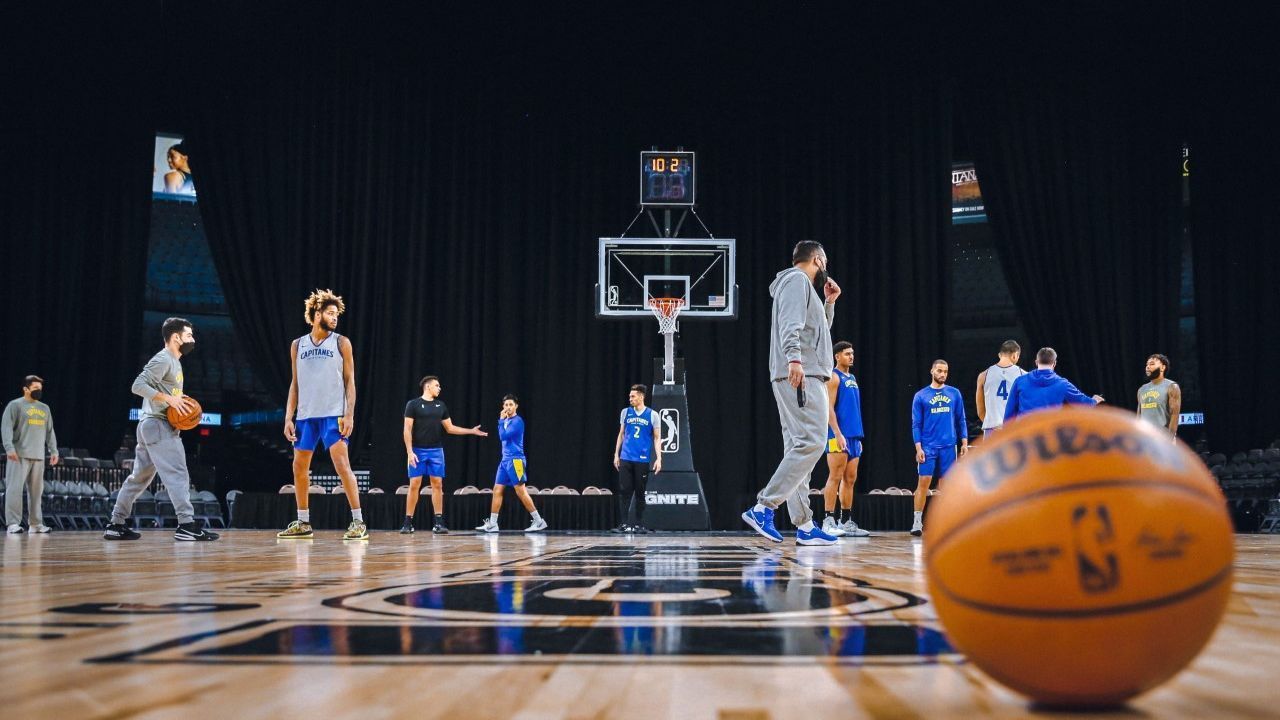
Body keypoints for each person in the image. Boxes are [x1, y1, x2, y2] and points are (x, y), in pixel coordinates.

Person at [743, 240, 842, 546]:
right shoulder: (797, 280)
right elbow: (791, 325)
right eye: (824, 261)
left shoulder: (805, 288)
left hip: (802, 371)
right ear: (818, 259)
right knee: (813, 442)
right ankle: (764, 506)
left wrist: (829, 303)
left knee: (798, 448)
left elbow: (818, 334)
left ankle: (805, 524)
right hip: (802, 374)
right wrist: (794, 359)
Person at [103, 318, 218, 541]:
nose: (192, 340)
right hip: (157, 424)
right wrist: (170, 400)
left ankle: (115, 524)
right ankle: (186, 525)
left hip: (150, 425)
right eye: (189, 335)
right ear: (176, 337)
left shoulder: (174, 361)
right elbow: (137, 386)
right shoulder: (164, 358)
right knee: (178, 474)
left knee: (138, 479)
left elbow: (164, 395)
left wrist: (176, 399)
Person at [277, 290, 366, 540]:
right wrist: (288, 417)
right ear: (316, 314)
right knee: (299, 467)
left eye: (336, 314)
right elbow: (294, 383)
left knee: (342, 465)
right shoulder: (297, 345)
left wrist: (349, 415)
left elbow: (350, 382)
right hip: (305, 416)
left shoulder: (341, 342)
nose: (334, 317)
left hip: (332, 414)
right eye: (329, 313)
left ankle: (358, 521)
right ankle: (303, 522)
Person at [403, 375, 488, 534]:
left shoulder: (440, 405)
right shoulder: (413, 404)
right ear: (428, 387)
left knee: (437, 484)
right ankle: (408, 522)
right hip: (417, 450)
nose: (439, 388)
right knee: (414, 484)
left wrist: (471, 431)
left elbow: (450, 428)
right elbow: (407, 429)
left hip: (436, 451)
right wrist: (409, 452)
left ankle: (438, 522)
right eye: (437, 385)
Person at [910, 360, 968, 537]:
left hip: (949, 446)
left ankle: (944, 521)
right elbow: (916, 424)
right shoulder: (921, 396)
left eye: (946, 371)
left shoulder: (954, 393)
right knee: (923, 483)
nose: (943, 374)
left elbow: (961, 419)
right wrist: (918, 447)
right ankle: (917, 521)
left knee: (946, 485)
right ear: (932, 371)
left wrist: (964, 442)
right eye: (940, 371)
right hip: (928, 446)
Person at [476, 394, 547, 533]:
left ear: (516, 406)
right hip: (505, 461)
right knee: (497, 490)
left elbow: (503, 436)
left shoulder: (518, 421)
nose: (508, 407)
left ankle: (539, 521)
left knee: (521, 491)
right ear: (503, 406)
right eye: (506, 405)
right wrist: (502, 421)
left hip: (516, 461)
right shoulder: (505, 421)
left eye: (511, 405)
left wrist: (501, 421)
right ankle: (493, 523)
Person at [821, 342, 869, 538]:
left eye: (852, 353)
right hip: (837, 434)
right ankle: (828, 520)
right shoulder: (833, 377)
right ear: (837, 356)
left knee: (850, 479)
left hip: (854, 435)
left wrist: (855, 436)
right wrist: (838, 433)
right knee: (835, 476)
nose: (851, 356)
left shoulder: (853, 377)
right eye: (847, 354)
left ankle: (846, 521)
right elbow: (829, 408)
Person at [3, 375, 59, 533]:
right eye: (35, 388)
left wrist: (53, 450)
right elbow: (6, 428)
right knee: (14, 490)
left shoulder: (44, 408)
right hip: (19, 454)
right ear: (26, 389)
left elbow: (50, 431)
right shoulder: (15, 405)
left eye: (40, 389)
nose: (38, 391)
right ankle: (13, 523)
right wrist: (9, 448)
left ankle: (35, 524)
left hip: (38, 456)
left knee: (36, 493)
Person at [1004, 347, 1104, 422]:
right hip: (1049, 436)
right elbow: (1083, 403)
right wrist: (1094, 400)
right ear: (1054, 363)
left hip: (1026, 436)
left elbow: (1009, 412)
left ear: (1036, 362)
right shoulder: (1062, 384)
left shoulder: (1020, 381)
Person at [613, 384, 662, 533]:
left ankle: (639, 524)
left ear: (641, 397)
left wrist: (659, 458)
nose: (630, 399)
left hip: (642, 458)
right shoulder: (625, 412)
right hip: (626, 457)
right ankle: (623, 524)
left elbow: (657, 437)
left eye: (633, 396)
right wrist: (616, 454)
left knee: (640, 492)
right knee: (624, 491)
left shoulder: (652, 415)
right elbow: (621, 434)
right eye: (630, 396)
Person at [976, 340, 1026, 438]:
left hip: (992, 431)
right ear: (1015, 355)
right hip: (1014, 430)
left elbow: (980, 411)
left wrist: (993, 423)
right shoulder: (1024, 375)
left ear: (1000, 355)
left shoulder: (983, 375)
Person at [1137, 353, 1181, 437]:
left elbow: (1174, 415)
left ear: (1163, 368)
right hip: (1145, 438)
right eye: (1147, 365)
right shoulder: (1141, 389)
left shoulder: (1172, 386)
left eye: (1152, 364)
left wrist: (1169, 439)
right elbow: (1139, 416)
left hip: (1163, 438)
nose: (1148, 367)